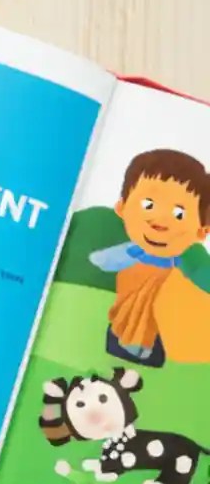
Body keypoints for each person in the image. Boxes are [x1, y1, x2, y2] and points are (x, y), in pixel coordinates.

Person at [89, 149, 210, 366]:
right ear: (122, 207)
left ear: (201, 230)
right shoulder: (132, 252)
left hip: (157, 331)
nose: (160, 220)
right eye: (148, 205)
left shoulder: (182, 266)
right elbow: (106, 260)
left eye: (179, 214)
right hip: (120, 321)